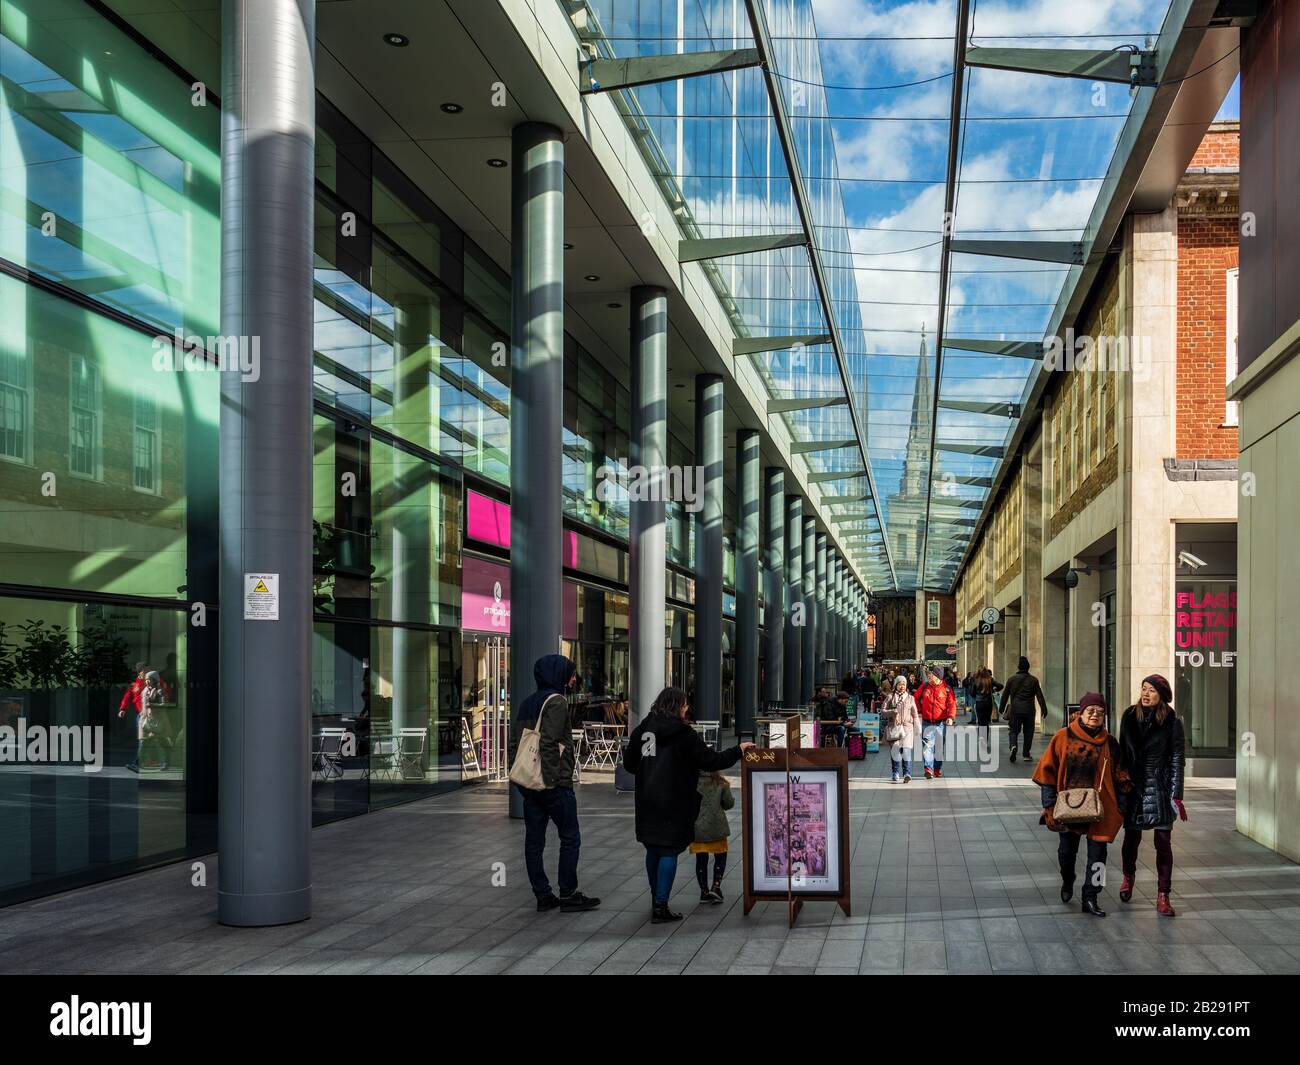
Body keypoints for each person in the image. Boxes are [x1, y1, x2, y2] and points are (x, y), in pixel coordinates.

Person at [624, 687, 751, 923]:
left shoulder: (644, 729)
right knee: (669, 850)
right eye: (684, 704)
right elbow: (711, 761)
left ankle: (656, 899)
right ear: (676, 706)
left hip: (647, 800)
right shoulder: (684, 734)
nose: (687, 709)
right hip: (674, 800)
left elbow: (630, 764)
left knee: (653, 848)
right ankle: (661, 906)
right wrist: (738, 751)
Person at [509, 654, 600, 914]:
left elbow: (515, 744)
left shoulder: (527, 703)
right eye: (570, 674)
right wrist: (551, 782)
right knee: (570, 837)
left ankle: (543, 895)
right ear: (557, 675)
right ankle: (569, 894)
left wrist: (523, 782)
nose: (573, 680)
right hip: (553, 786)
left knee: (534, 842)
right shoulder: (556, 702)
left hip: (529, 786)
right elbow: (548, 743)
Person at [1032, 692, 1130, 917]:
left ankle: (1091, 896)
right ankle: (1068, 879)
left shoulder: (1110, 742)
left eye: (1100, 712)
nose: (1095, 715)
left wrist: (1121, 806)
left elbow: (1121, 775)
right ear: (1082, 713)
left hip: (1100, 809)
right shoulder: (1063, 737)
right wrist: (1049, 805)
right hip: (1068, 808)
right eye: (1091, 711)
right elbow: (1047, 771)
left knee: (1099, 858)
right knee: (1066, 853)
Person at [1117, 675, 1186, 918]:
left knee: (1163, 843)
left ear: (1162, 696)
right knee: (1131, 840)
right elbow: (1122, 753)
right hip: (1134, 787)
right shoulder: (1128, 716)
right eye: (1143, 689)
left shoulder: (1172, 722)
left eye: (1152, 691)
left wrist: (1176, 794)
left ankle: (1163, 895)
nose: (1146, 694)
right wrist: (1120, 784)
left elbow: (1177, 759)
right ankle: (1128, 877)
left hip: (1160, 787)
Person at [690, 770, 734, 903]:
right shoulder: (721, 783)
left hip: (697, 827)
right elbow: (728, 804)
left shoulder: (691, 782)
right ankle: (716, 886)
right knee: (721, 855)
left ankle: (704, 891)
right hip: (717, 826)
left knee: (701, 859)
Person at [1002, 656, 1048, 763]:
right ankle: (1026, 754)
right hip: (1029, 710)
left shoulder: (1011, 679)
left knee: (1013, 730)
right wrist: (1044, 709)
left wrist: (1001, 708)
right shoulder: (1034, 680)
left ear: (1018, 667)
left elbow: (1005, 695)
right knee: (1028, 732)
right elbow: (1039, 696)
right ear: (1028, 667)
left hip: (1015, 710)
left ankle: (1013, 746)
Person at [917, 665, 957, 779]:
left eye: (932, 674)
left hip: (941, 723)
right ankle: (928, 768)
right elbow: (915, 698)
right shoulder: (925, 687)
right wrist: (919, 711)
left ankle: (936, 769)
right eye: (930, 674)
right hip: (927, 721)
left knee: (938, 748)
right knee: (927, 746)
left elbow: (952, 704)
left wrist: (951, 717)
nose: (930, 676)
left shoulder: (947, 689)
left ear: (938, 676)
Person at [883, 674, 918, 783]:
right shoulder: (890, 697)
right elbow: (883, 711)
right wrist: (892, 712)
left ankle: (907, 773)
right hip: (894, 727)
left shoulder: (910, 698)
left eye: (903, 684)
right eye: (899, 684)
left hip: (907, 727)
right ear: (896, 685)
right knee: (895, 751)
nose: (901, 686)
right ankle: (895, 773)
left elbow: (915, 713)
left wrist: (917, 726)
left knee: (906, 750)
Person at [972, 668, 1003, 744]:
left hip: (979, 703)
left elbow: (972, 693)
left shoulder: (976, 681)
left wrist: (976, 694)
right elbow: (1001, 686)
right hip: (988, 703)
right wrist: (993, 690)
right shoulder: (990, 680)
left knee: (980, 722)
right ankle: (985, 740)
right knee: (986, 722)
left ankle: (981, 739)